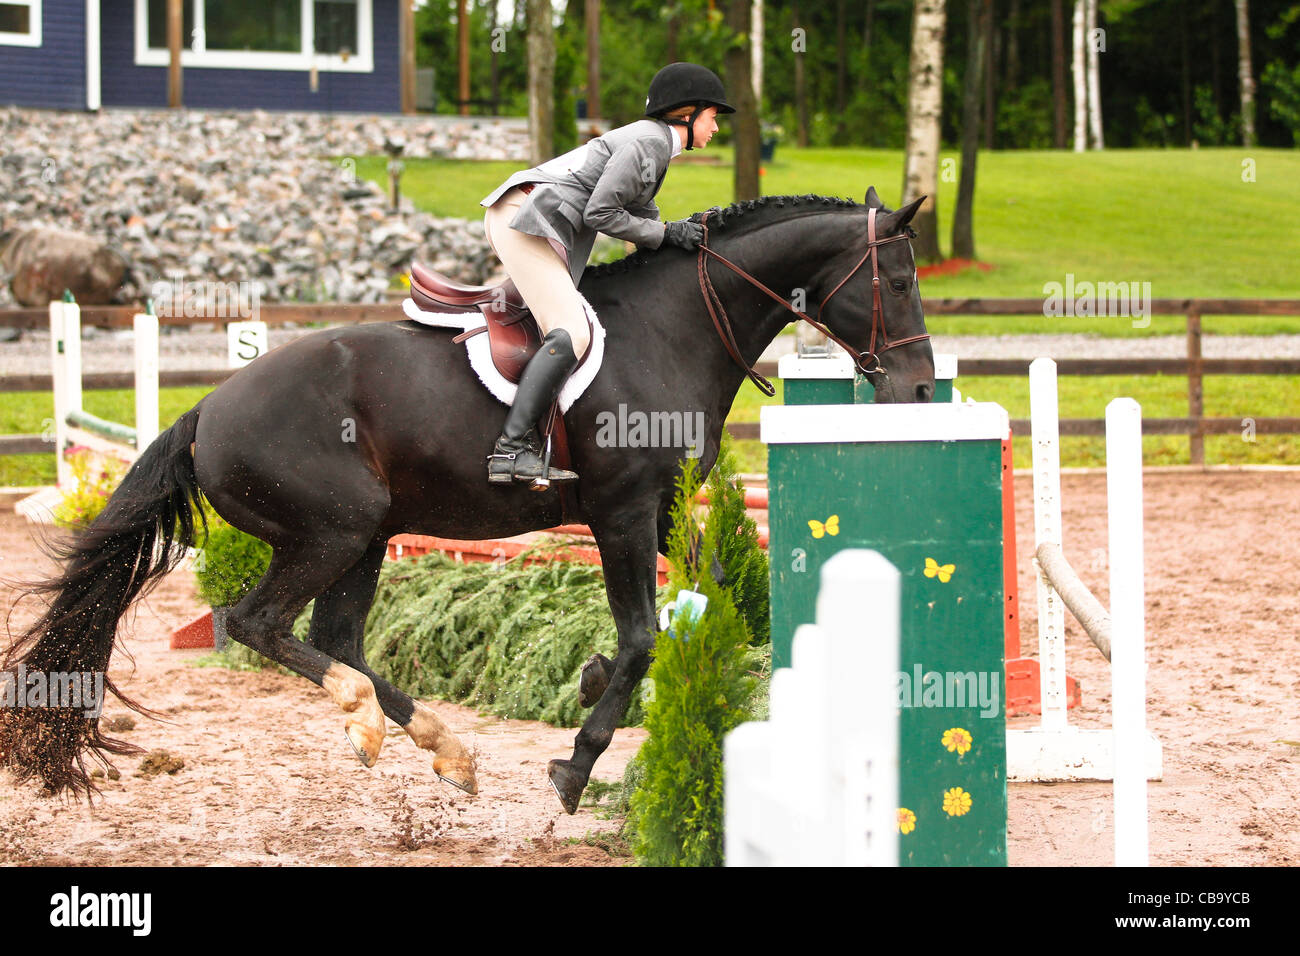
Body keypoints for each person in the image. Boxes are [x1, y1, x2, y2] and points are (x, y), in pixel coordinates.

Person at [480, 62, 734, 487]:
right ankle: (509, 450)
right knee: (571, 332)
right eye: (713, 117)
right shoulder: (649, 144)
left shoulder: (655, 144)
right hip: (520, 218)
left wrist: (678, 237)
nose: (717, 128)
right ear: (687, 112)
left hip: (536, 216)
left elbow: (641, 215)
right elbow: (602, 212)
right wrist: (668, 232)